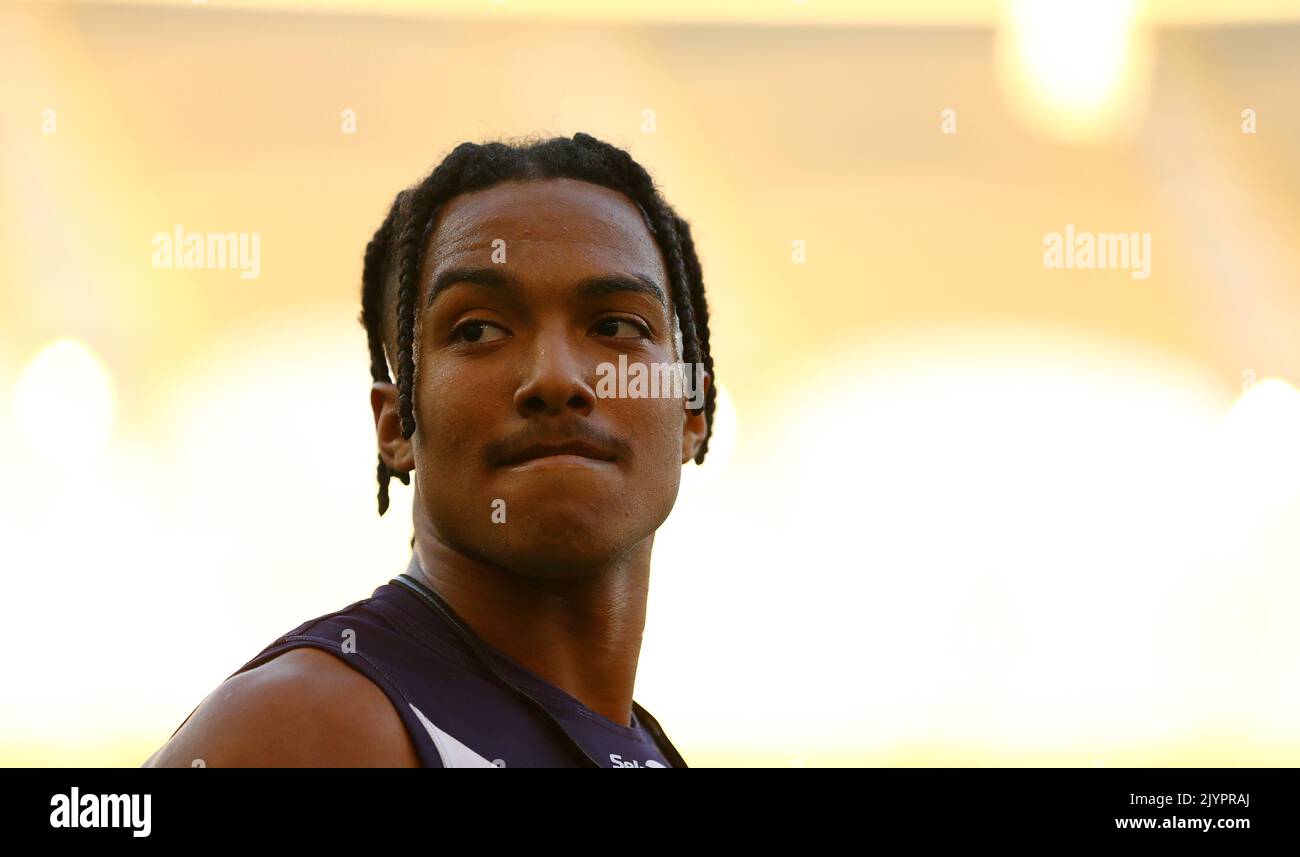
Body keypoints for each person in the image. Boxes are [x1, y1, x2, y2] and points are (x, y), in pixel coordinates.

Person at [143, 133, 718, 767]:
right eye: (478, 329)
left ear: (691, 407)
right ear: (396, 427)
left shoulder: (642, 752)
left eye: (616, 327)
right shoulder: (305, 728)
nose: (556, 378)